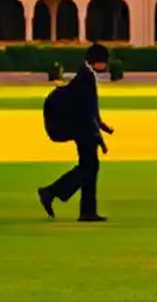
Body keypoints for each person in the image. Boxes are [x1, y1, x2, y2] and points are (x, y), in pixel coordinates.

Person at [38, 43, 114, 222]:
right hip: (83, 129)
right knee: (89, 167)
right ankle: (56, 194)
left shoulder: (85, 75)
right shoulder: (86, 78)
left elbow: (89, 109)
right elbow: (87, 111)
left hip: (83, 128)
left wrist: (101, 126)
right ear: (99, 62)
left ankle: (73, 203)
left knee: (89, 167)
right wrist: (98, 137)